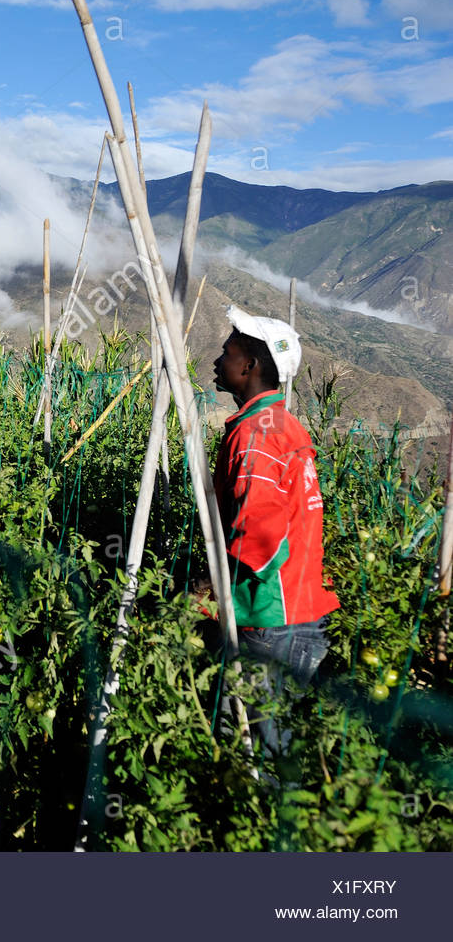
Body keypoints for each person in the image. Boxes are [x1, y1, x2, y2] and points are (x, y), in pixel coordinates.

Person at [211, 304, 340, 763]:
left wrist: (205, 588)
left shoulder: (255, 436)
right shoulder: (284, 426)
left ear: (250, 366)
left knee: (250, 756)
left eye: (226, 352)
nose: (216, 360)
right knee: (279, 751)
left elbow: (260, 539)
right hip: (300, 612)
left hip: (271, 620)